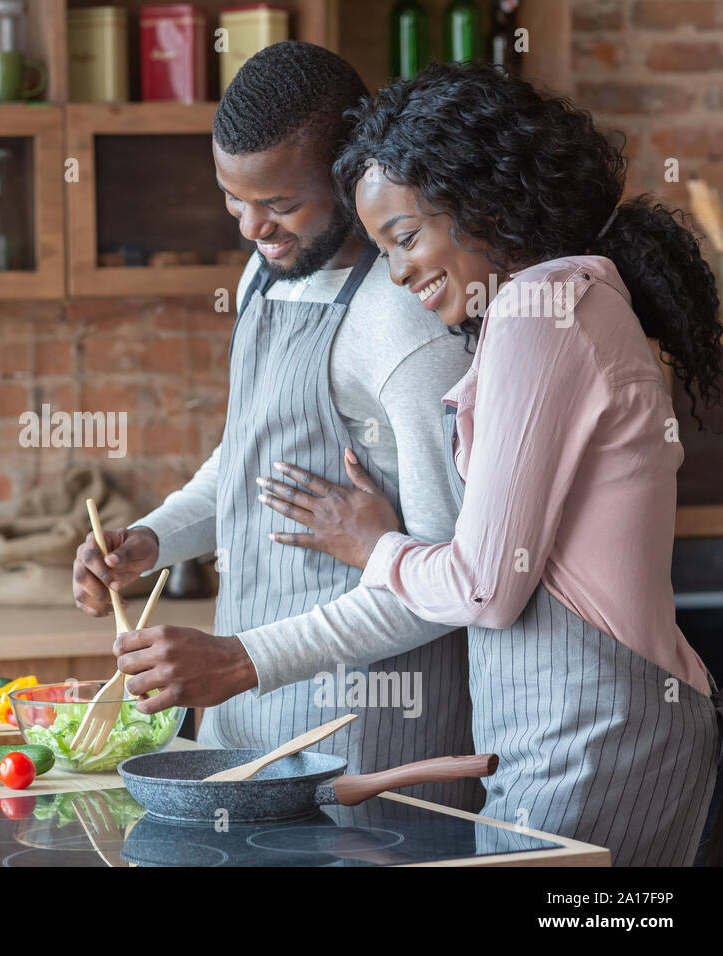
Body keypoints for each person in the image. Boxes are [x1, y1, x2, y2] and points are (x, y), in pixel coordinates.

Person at [260, 61, 723, 865]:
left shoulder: (539, 314)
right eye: (382, 249)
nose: (398, 273)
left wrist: (374, 548)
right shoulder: (573, 298)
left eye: (405, 237)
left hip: (592, 747)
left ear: (486, 202)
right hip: (598, 738)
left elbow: (485, 585)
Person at [72, 42, 482, 811]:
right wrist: (154, 540)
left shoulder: (404, 323)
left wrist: (238, 658)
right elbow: (248, 459)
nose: (252, 228)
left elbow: (446, 579)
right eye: (234, 201)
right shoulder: (268, 270)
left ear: (351, 170)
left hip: (365, 732)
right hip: (244, 719)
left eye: (280, 204)